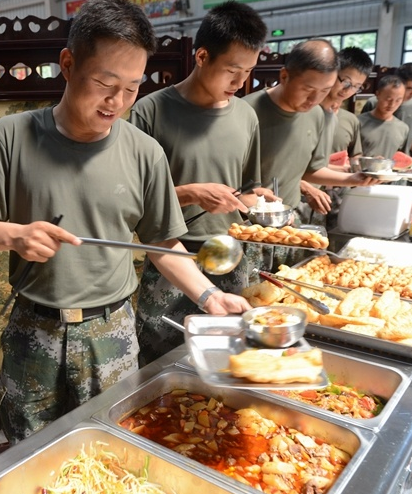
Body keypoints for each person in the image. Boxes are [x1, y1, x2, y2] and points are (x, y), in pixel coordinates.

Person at [0, 0, 249, 443]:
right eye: (105, 84)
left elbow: (163, 243)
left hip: (112, 331)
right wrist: (13, 235)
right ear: (67, 65)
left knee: (113, 444)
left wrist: (209, 296)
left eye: (132, 88)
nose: (118, 101)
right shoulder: (10, 136)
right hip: (35, 327)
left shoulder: (145, 152)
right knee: (30, 446)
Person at [129, 1, 272, 367]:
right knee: (161, 355)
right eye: (233, 70)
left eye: (249, 72)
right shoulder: (151, 110)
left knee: (233, 358)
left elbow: (249, 187)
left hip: (232, 256)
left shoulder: (245, 116)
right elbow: (134, 204)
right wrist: (191, 192)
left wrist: (260, 201)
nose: (241, 83)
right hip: (172, 254)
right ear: (203, 56)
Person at [242, 39, 378, 219]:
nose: (314, 99)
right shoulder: (246, 111)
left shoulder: (316, 114)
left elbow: (312, 170)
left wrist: (353, 179)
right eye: (308, 89)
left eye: (325, 90)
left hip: (287, 217)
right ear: (284, 76)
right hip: (245, 219)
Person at [298, 46, 373, 225]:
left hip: (321, 198)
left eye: (356, 86)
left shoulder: (333, 115)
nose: (348, 90)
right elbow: (278, 168)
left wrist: (357, 173)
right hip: (292, 198)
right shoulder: (304, 110)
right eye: (345, 81)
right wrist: (307, 189)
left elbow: (315, 168)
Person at [358, 75, 410, 158]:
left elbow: (402, 158)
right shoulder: (357, 122)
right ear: (377, 94)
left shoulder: (403, 128)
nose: (392, 105)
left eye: (398, 100)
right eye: (388, 99)